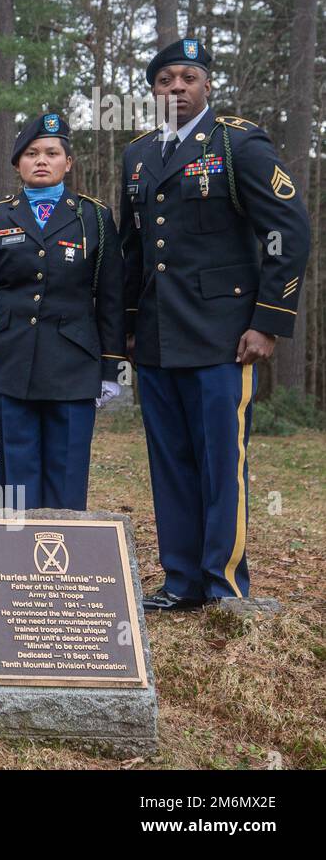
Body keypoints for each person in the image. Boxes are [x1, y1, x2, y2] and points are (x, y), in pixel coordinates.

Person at [121, 37, 309, 610]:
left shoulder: (238, 143)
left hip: (225, 338)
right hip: (156, 338)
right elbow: (132, 250)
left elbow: (289, 230)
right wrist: (126, 328)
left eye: (187, 77)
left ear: (206, 85)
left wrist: (268, 321)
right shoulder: (138, 155)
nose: (176, 87)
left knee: (221, 464)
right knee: (171, 463)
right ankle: (180, 582)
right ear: (153, 91)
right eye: (164, 80)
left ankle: (224, 584)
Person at [0, 112, 125, 514]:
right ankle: (12, 571)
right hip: (11, 364)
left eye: (52, 153)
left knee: (67, 478)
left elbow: (110, 297)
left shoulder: (94, 218)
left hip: (73, 367)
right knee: (12, 481)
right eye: (31, 153)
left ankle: (62, 573)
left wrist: (111, 367)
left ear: (68, 163)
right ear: (17, 163)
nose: (41, 160)